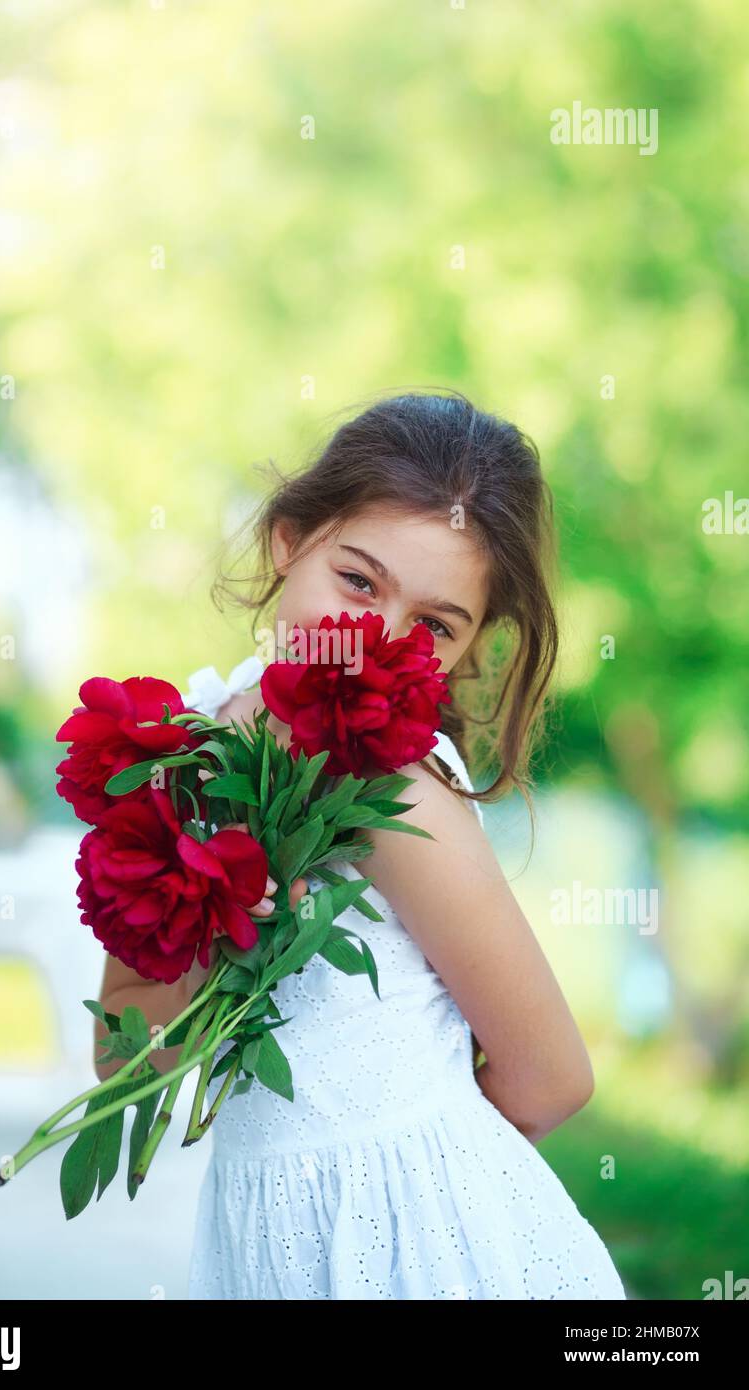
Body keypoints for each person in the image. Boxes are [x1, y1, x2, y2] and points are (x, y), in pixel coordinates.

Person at [99, 389, 627, 1299]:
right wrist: (210, 933)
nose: (374, 638)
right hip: (264, 1234)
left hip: (424, 1249)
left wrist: (395, 1166)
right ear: (288, 541)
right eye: (357, 580)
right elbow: (123, 1061)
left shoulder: (395, 783)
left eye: (432, 625)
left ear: (463, 652)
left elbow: (550, 1079)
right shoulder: (191, 755)